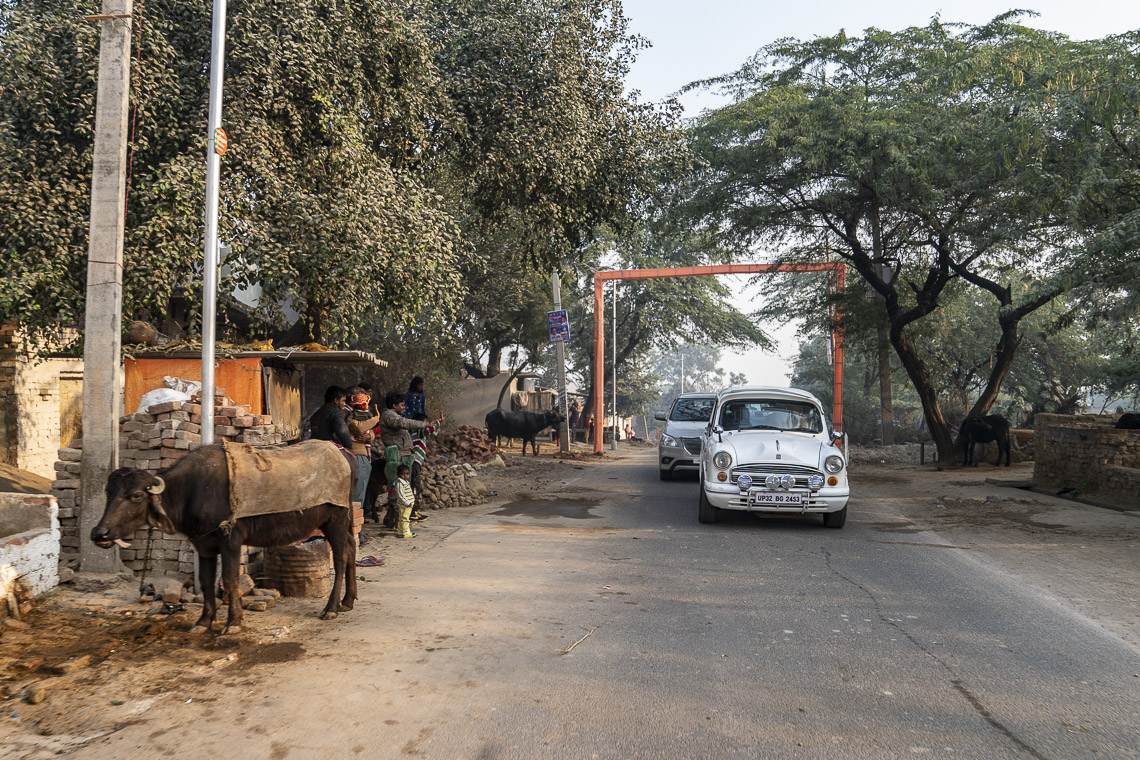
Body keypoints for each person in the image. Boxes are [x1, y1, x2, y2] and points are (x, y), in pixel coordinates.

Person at [380, 391, 440, 526]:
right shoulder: (389, 415)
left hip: (403, 455)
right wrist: (424, 424)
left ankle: (393, 519)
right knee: (398, 490)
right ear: (394, 405)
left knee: (401, 489)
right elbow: (404, 423)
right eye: (402, 405)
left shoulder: (394, 416)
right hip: (398, 458)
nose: (404, 407)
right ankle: (399, 523)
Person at [346, 386, 380, 515]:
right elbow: (358, 428)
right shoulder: (348, 414)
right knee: (357, 494)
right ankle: (353, 522)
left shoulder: (363, 416)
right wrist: (376, 419)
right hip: (356, 455)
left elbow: (370, 432)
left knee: (360, 491)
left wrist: (369, 436)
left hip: (364, 455)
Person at [310, 385, 354, 450]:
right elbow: (342, 432)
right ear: (336, 401)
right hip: (329, 449)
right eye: (343, 401)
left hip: (314, 448)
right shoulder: (335, 413)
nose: (345, 404)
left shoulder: (316, 413)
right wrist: (349, 447)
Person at [393, 464, 417, 538]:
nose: (405, 476)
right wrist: (407, 502)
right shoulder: (400, 483)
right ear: (398, 474)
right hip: (405, 505)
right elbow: (400, 494)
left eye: (407, 474)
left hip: (407, 504)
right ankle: (406, 532)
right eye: (402, 474)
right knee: (405, 519)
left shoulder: (405, 482)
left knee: (401, 518)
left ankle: (400, 531)